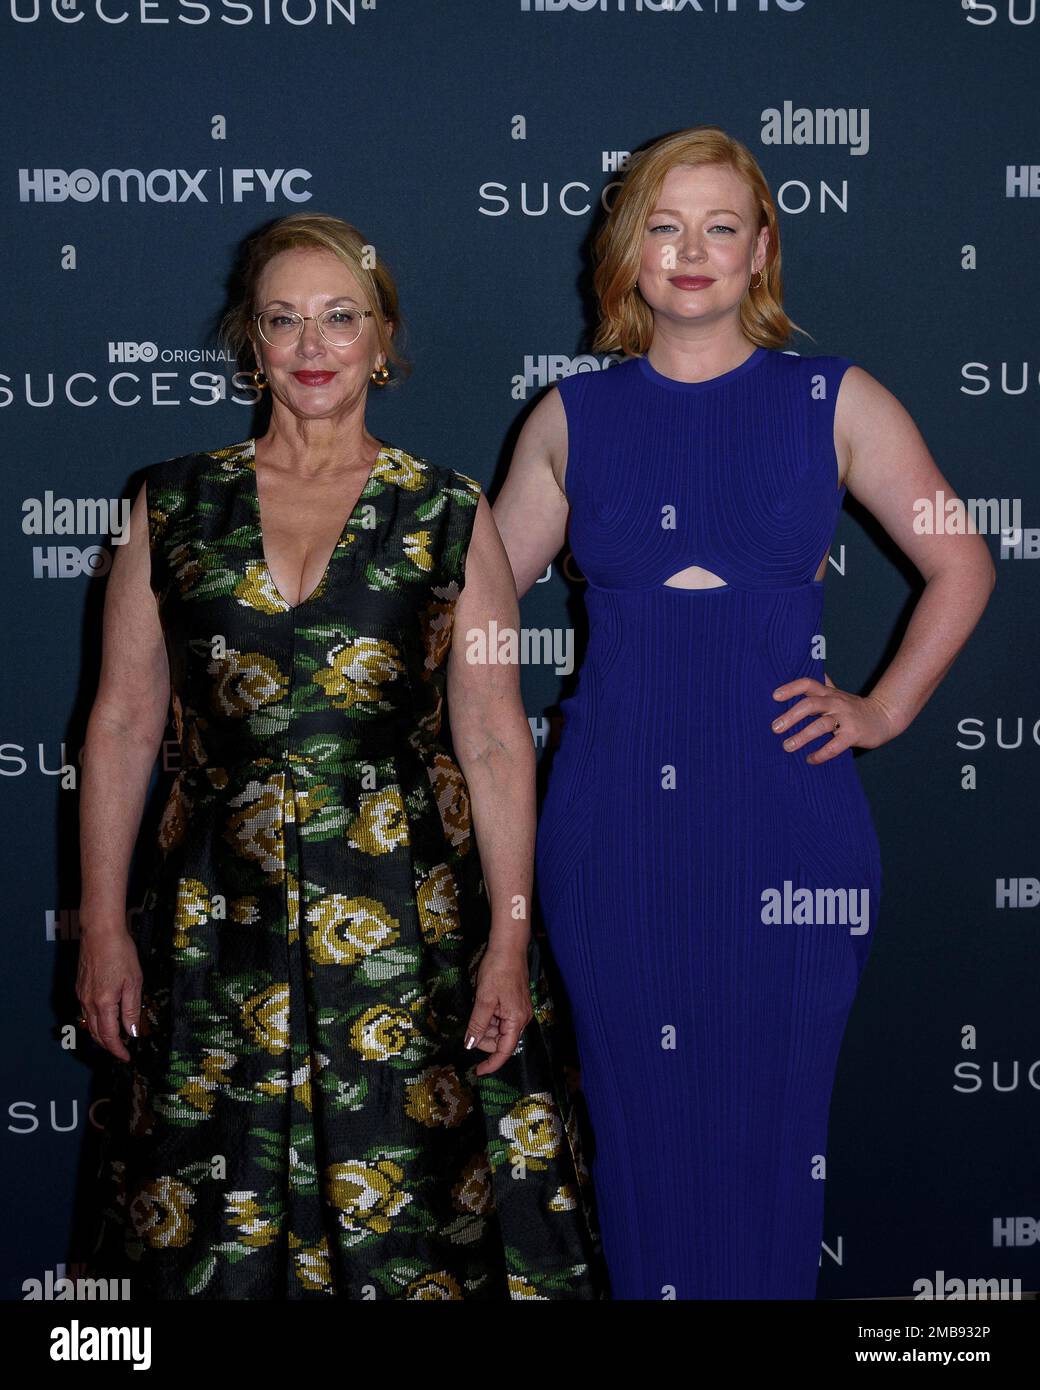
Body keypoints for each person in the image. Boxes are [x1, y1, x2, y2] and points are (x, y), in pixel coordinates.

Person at [491, 126, 996, 1300]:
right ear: (625, 253)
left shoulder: (833, 397)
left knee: (771, 1129)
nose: (691, 251)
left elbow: (960, 564)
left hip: (786, 814)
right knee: (635, 1120)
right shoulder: (570, 414)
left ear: (761, 249)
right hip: (613, 814)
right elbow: (470, 605)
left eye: (721, 226)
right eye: (662, 227)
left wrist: (880, 708)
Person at [78, 212, 604, 1300]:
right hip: (211, 919)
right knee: (201, 1227)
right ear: (250, 341)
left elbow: (495, 740)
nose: (312, 346)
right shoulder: (169, 504)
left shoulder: (448, 512)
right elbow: (126, 722)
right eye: (284, 320)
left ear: (382, 338)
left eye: (339, 318)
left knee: (412, 1223)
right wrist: (98, 927)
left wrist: (508, 944)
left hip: (406, 924)